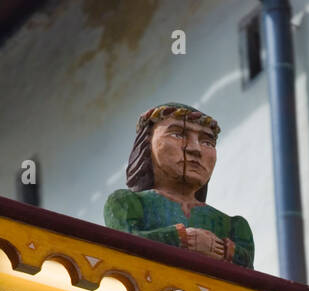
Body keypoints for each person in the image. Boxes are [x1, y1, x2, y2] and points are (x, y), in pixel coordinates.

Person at [104, 102, 254, 267]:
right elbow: (126, 244)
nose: (195, 149)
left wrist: (226, 251)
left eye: (207, 143)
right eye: (178, 134)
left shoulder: (235, 227)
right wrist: (183, 238)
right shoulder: (125, 203)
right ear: (146, 143)